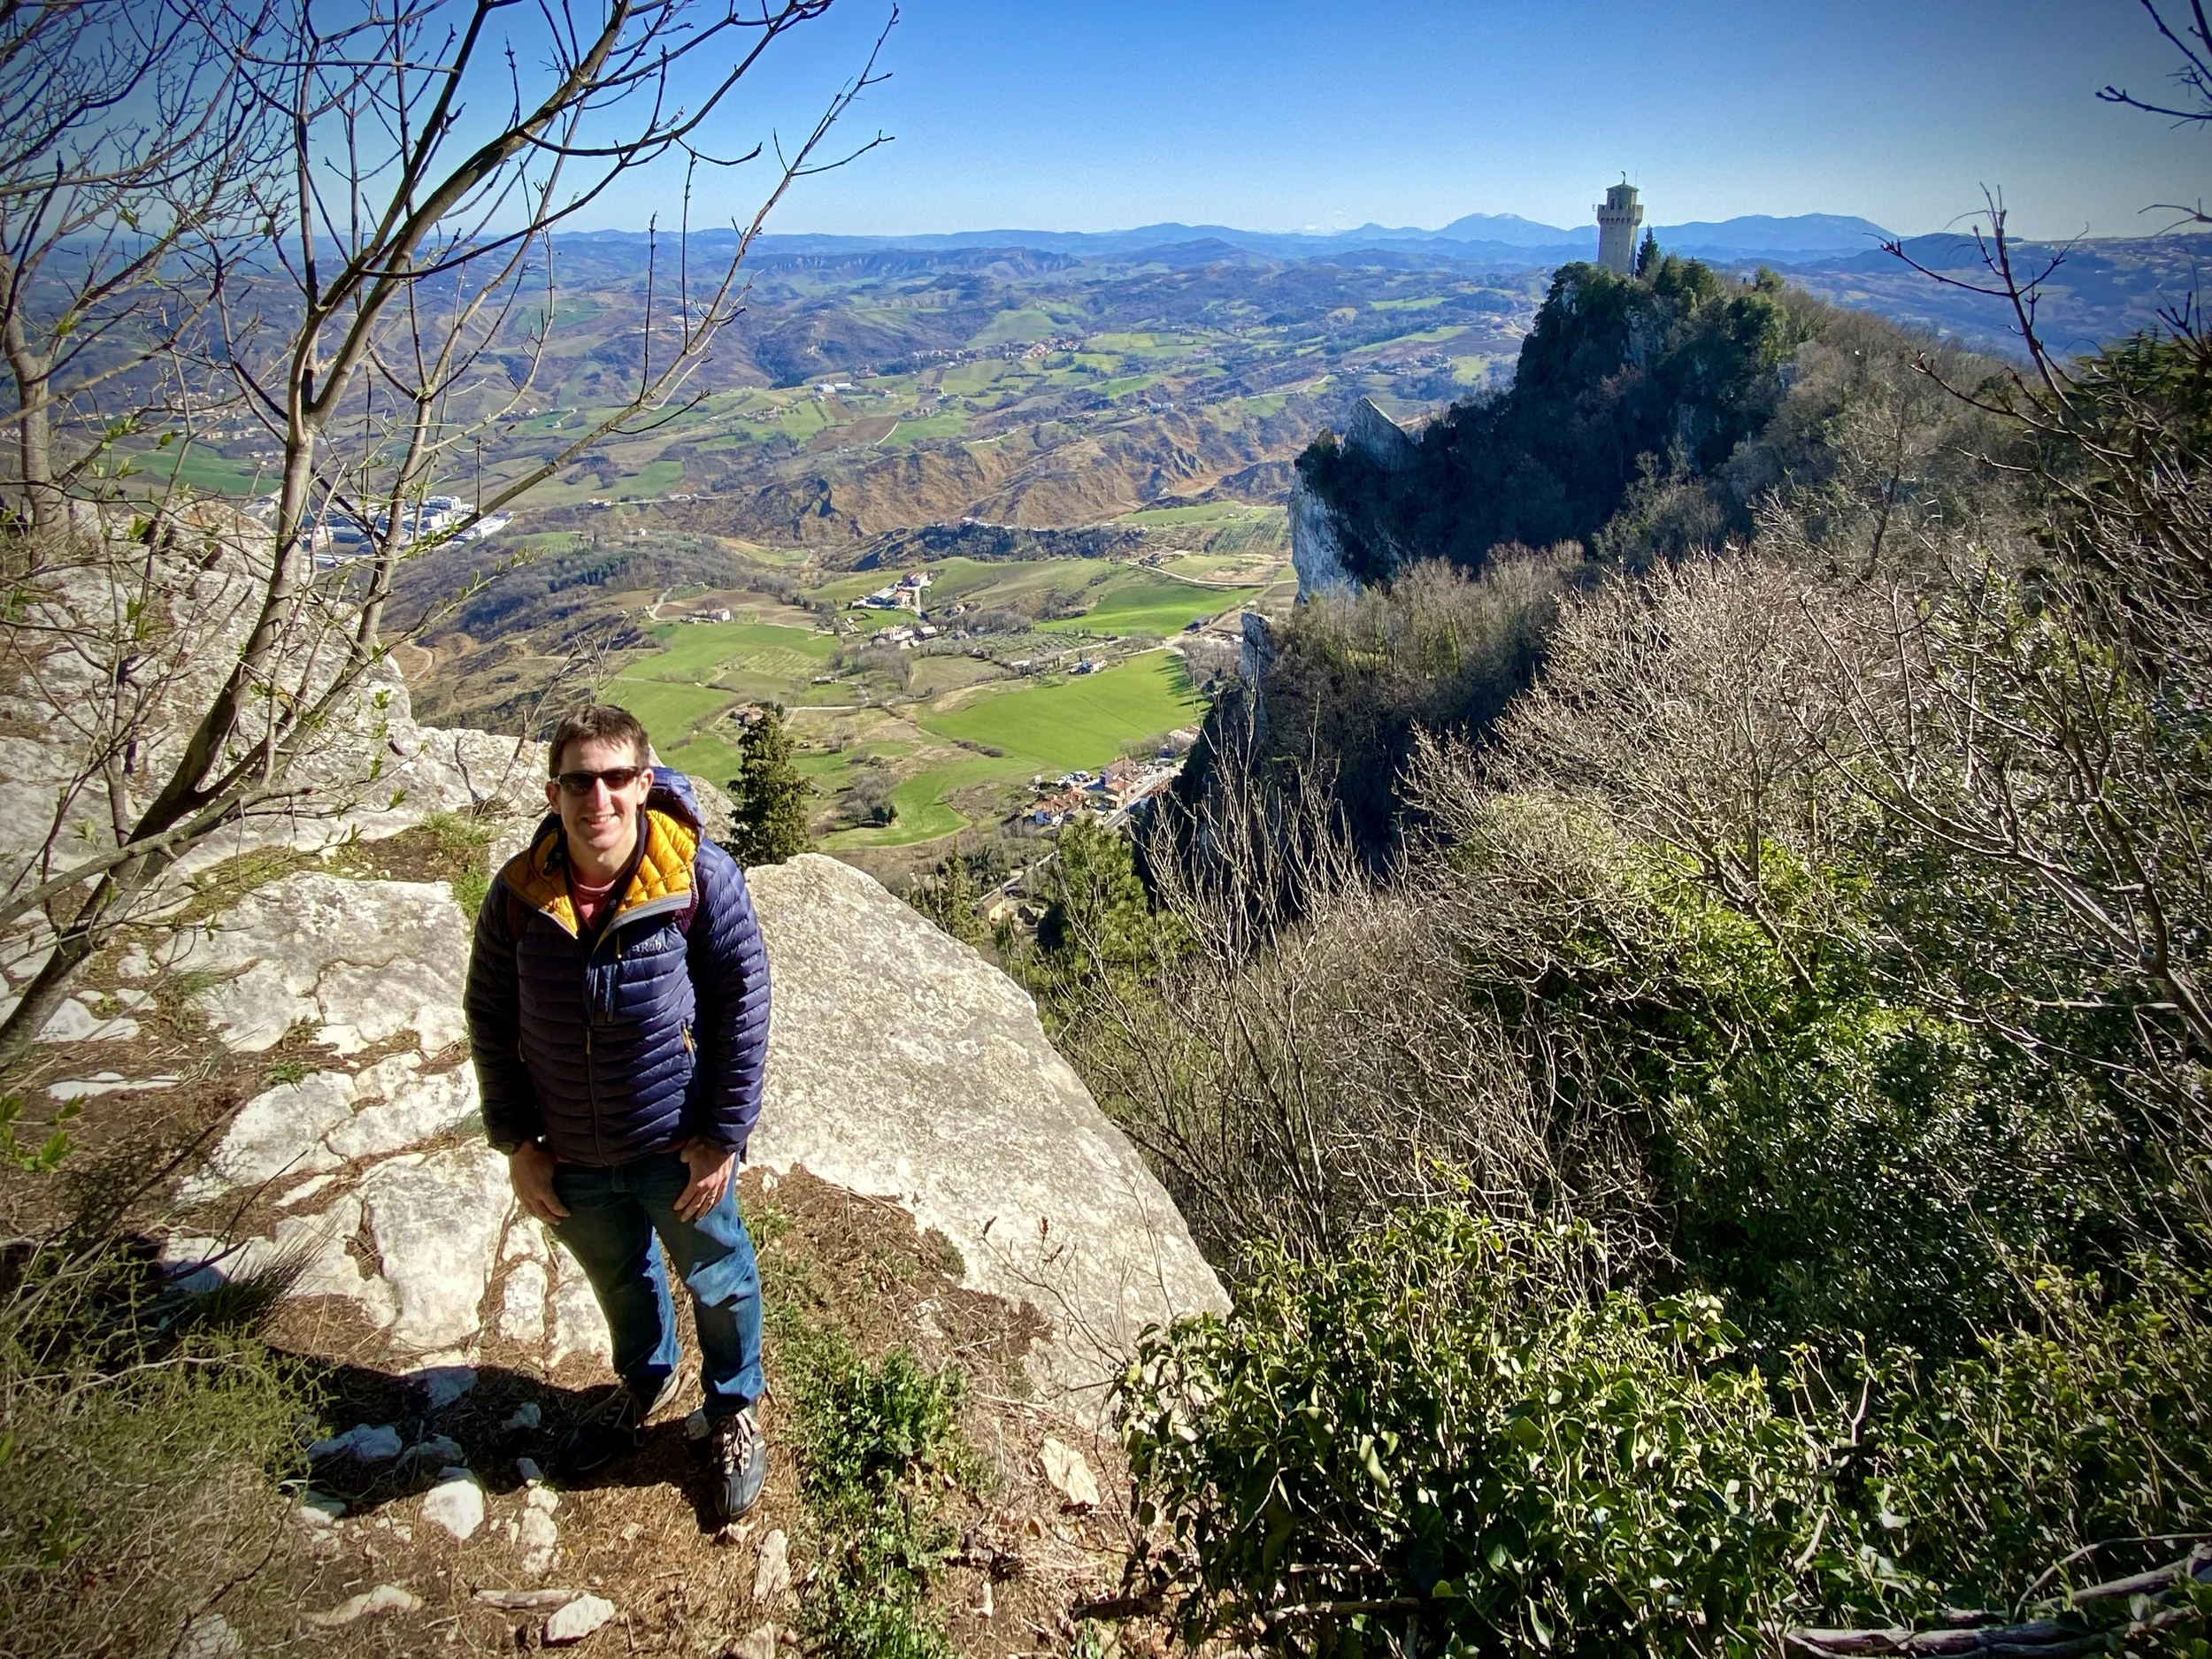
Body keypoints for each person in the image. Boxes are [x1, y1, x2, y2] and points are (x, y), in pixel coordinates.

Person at [464, 703, 772, 1522]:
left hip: (675, 1140)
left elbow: (743, 1002)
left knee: (719, 1275)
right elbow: (489, 1018)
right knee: (619, 1277)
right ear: (555, 792)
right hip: (569, 1146)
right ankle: (646, 1378)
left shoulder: (694, 877)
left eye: (612, 779)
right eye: (577, 781)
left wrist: (723, 1137)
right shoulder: (519, 895)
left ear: (643, 783)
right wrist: (516, 1143)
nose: (595, 797)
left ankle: (735, 1403)